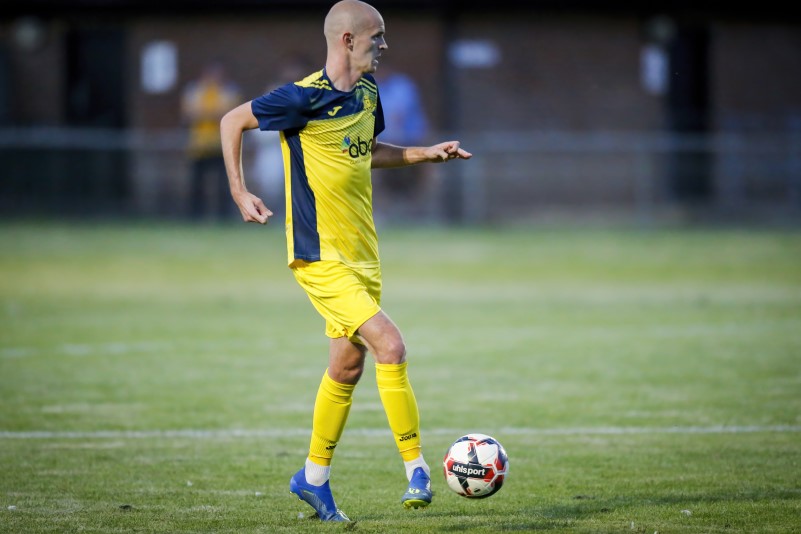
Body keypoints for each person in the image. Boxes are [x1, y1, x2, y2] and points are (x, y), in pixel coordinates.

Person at [219, 0, 471, 522]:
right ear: (348, 41)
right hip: (319, 256)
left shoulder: (366, 92)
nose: (384, 46)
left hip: (363, 255)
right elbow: (230, 121)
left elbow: (367, 150)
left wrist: (424, 153)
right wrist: (241, 193)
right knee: (391, 345)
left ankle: (312, 479)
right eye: (377, 37)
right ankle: (417, 469)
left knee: (347, 365)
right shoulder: (301, 98)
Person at [181, 61, 241, 220]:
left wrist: (205, 114)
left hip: (222, 145)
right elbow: (188, 115)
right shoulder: (195, 91)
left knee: (224, 184)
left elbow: (231, 115)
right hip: (199, 145)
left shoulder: (229, 91)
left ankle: (225, 218)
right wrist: (214, 114)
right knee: (197, 185)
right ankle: (195, 217)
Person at [372, 60, 431, 222]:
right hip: (384, 142)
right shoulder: (371, 87)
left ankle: (417, 215)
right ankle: (383, 213)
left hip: (409, 140)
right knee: (376, 178)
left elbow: (397, 114)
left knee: (416, 179)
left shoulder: (402, 85)